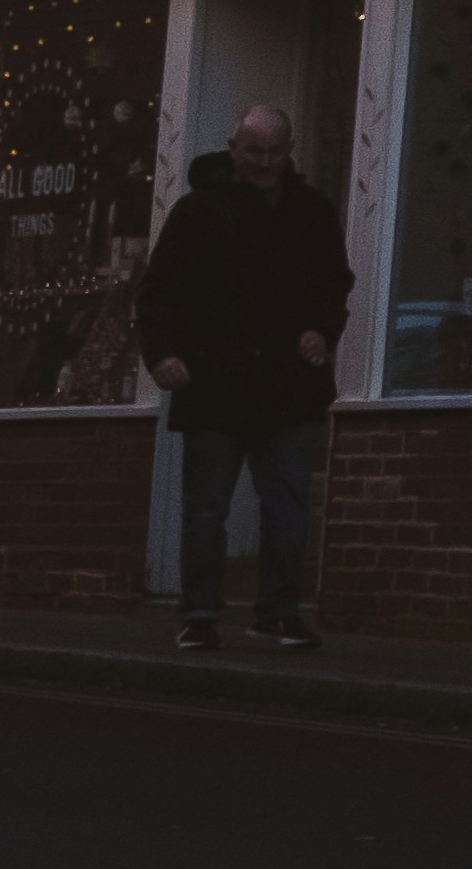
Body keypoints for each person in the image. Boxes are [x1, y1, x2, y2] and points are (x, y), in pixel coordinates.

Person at [135, 103, 349, 651]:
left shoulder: (313, 212)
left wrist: (321, 332)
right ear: (234, 148)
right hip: (216, 379)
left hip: (286, 381)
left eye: (277, 152)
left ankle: (278, 610)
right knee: (207, 509)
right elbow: (160, 293)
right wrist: (162, 355)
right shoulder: (199, 212)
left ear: (291, 151)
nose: (266, 162)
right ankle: (201, 614)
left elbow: (334, 285)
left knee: (286, 504)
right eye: (255, 151)